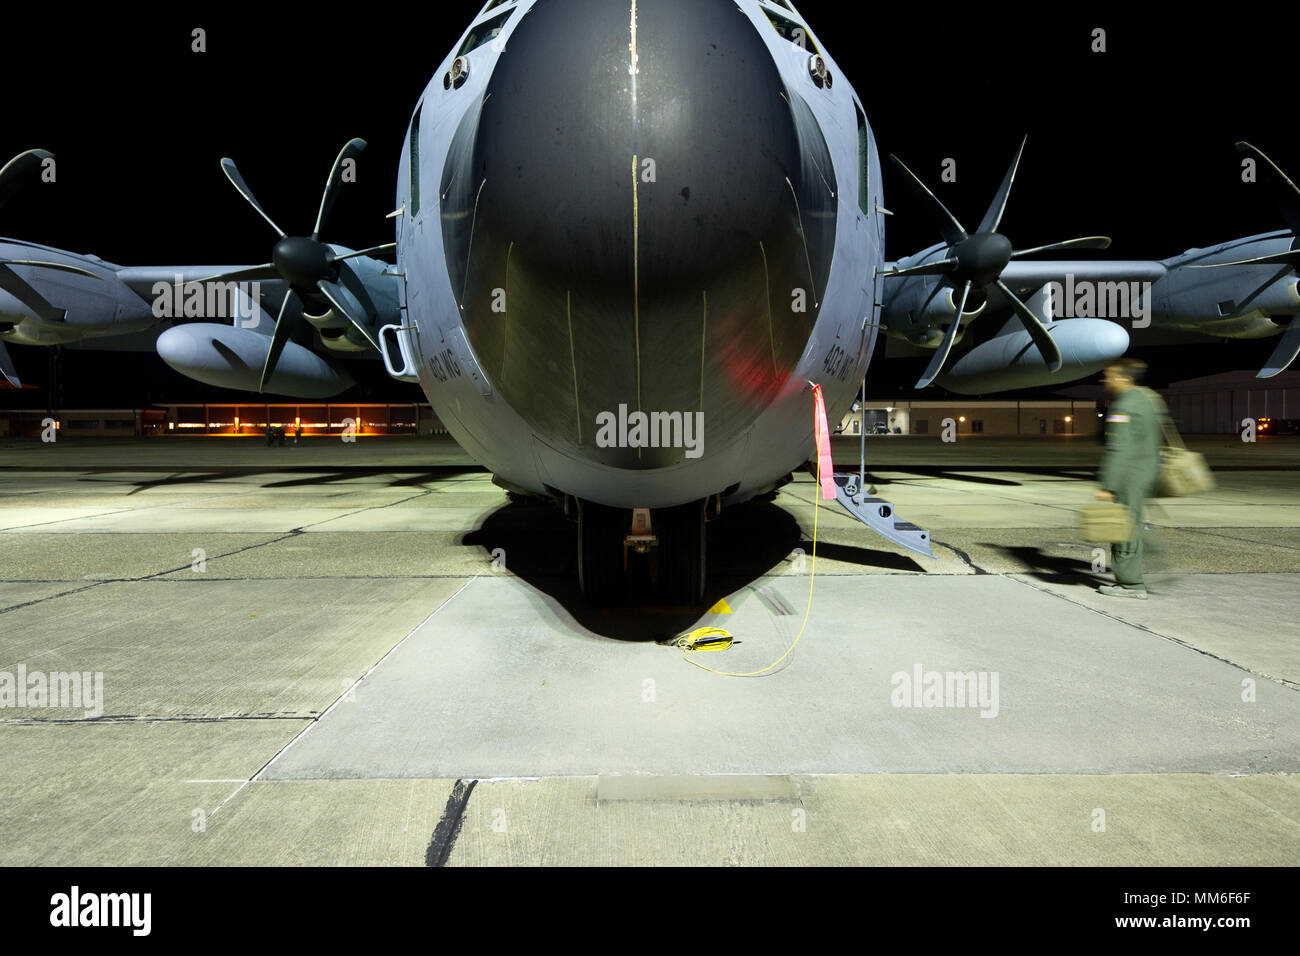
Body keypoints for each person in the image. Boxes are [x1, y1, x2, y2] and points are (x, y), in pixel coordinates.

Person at [1095, 357, 1164, 599]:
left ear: (1125, 378)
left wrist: (1108, 484)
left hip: (1129, 476)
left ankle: (1130, 585)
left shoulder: (1124, 405)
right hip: (1147, 472)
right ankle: (1132, 576)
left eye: (1110, 375)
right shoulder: (1149, 399)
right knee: (1132, 524)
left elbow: (1119, 448)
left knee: (1124, 528)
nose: (1105, 379)